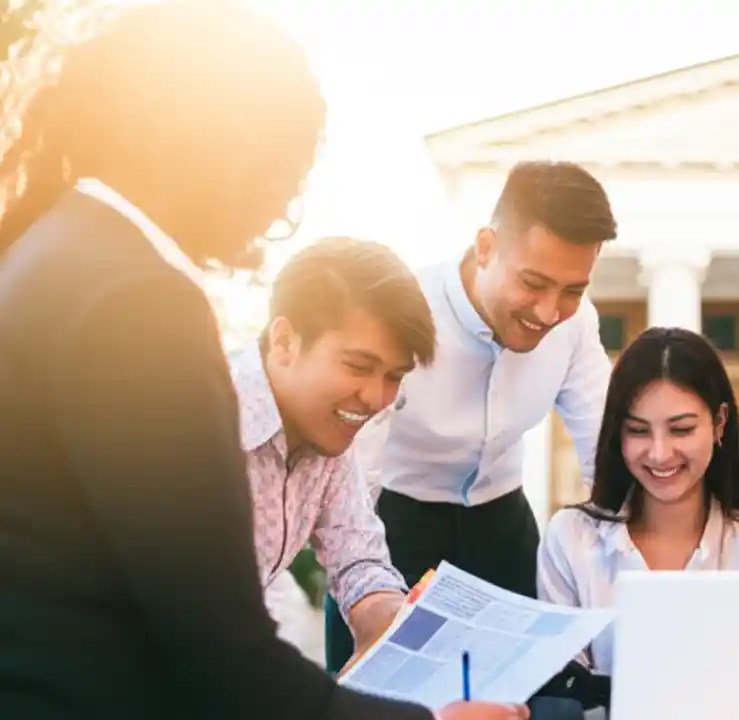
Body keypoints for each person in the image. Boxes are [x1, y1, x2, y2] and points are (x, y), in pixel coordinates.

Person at [0, 3, 524, 718]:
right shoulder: (137, 302)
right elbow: (223, 659)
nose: (283, 207)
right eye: (289, 167)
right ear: (222, 145)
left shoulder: (54, 252)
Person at [326, 160, 616, 670]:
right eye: (534, 282)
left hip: (503, 525)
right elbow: (353, 474)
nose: (549, 312)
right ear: (486, 248)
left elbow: (607, 452)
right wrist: (365, 588)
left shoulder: (577, 326)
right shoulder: (405, 310)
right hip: (391, 523)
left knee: (521, 692)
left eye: (573, 290)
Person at [537, 327, 739, 692]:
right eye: (638, 431)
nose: (660, 453)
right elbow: (564, 694)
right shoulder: (571, 537)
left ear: (719, 423)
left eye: (681, 430)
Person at [232, 236, 436, 662]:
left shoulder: (328, 431)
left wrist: (389, 614)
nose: (376, 397)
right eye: (358, 367)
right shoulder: (204, 421)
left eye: (394, 376)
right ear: (285, 341)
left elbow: (358, 558)